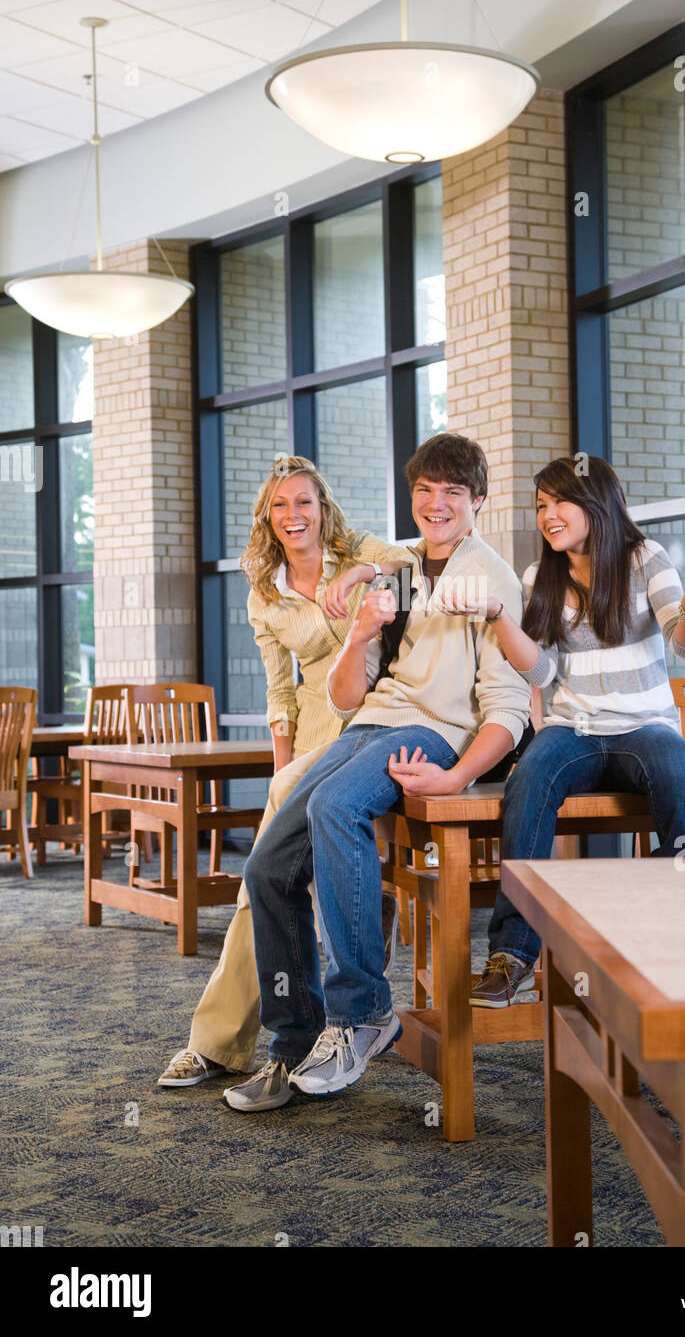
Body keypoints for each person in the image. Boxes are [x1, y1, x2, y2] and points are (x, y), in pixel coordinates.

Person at [222, 433, 531, 1112]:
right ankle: (294, 1041)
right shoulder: (399, 566)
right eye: (425, 490)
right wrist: (360, 630)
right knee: (267, 865)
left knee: (335, 807)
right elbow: (344, 698)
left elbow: (510, 707)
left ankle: (361, 1014)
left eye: (453, 491)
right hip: (367, 726)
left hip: (435, 732)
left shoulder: (493, 578)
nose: (436, 503)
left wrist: (455, 777)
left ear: (478, 500)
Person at [435, 454, 685, 1007]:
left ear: (596, 503)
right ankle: (513, 954)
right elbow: (543, 671)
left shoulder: (645, 559)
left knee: (678, 770)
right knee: (530, 779)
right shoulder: (538, 575)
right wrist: (501, 614)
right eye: (541, 505)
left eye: (559, 502)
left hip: (645, 726)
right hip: (574, 728)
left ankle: (675, 922)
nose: (547, 515)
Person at [158, 455, 410, 1087]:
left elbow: (411, 562)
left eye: (304, 502)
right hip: (312, 737)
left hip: (377, 717)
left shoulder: (359, 549)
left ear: (323, 507)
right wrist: (283, 769)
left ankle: (230, 1039)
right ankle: (230, 1037)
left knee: (266, 874)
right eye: (280, 506)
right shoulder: (263, 591)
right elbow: (280, 694)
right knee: (263, 876)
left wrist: (359, 570)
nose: (293, 516)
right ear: (267, 520)